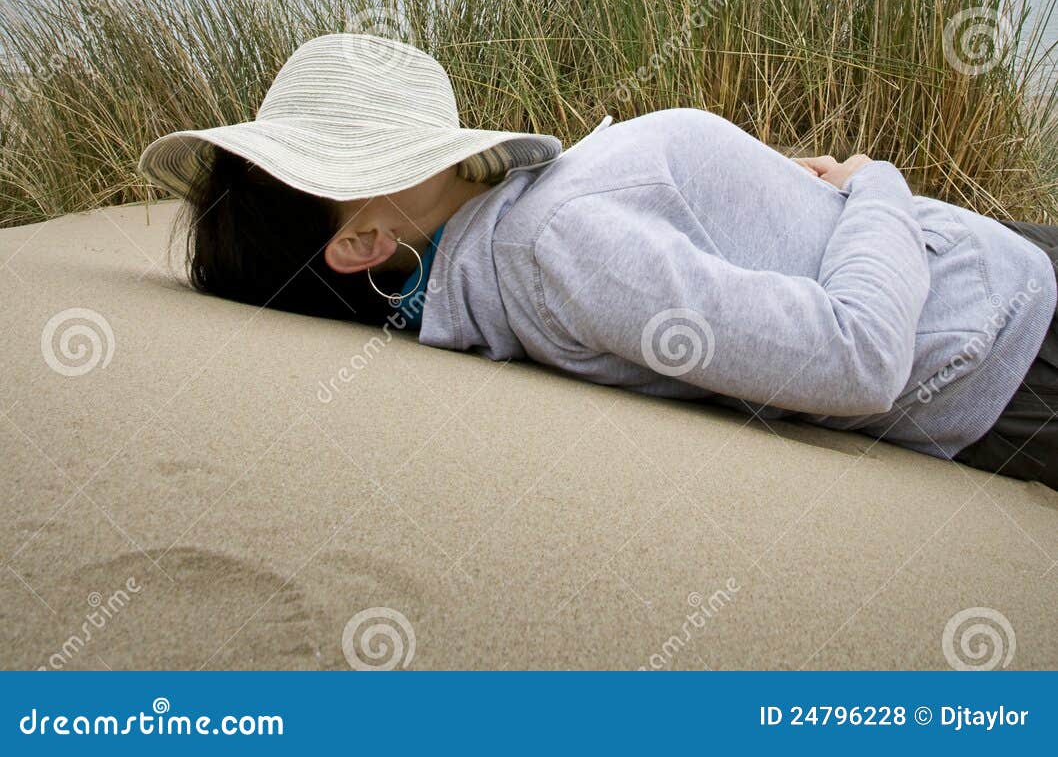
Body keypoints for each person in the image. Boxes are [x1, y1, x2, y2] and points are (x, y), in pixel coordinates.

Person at [138, 33, 1058, 488]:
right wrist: (877, 186)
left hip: (977, 280)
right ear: (364, 244)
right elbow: (859, 355)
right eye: (372, 148)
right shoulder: (556, 246)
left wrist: (783, 193)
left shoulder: (510, 238)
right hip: (1010, 337)